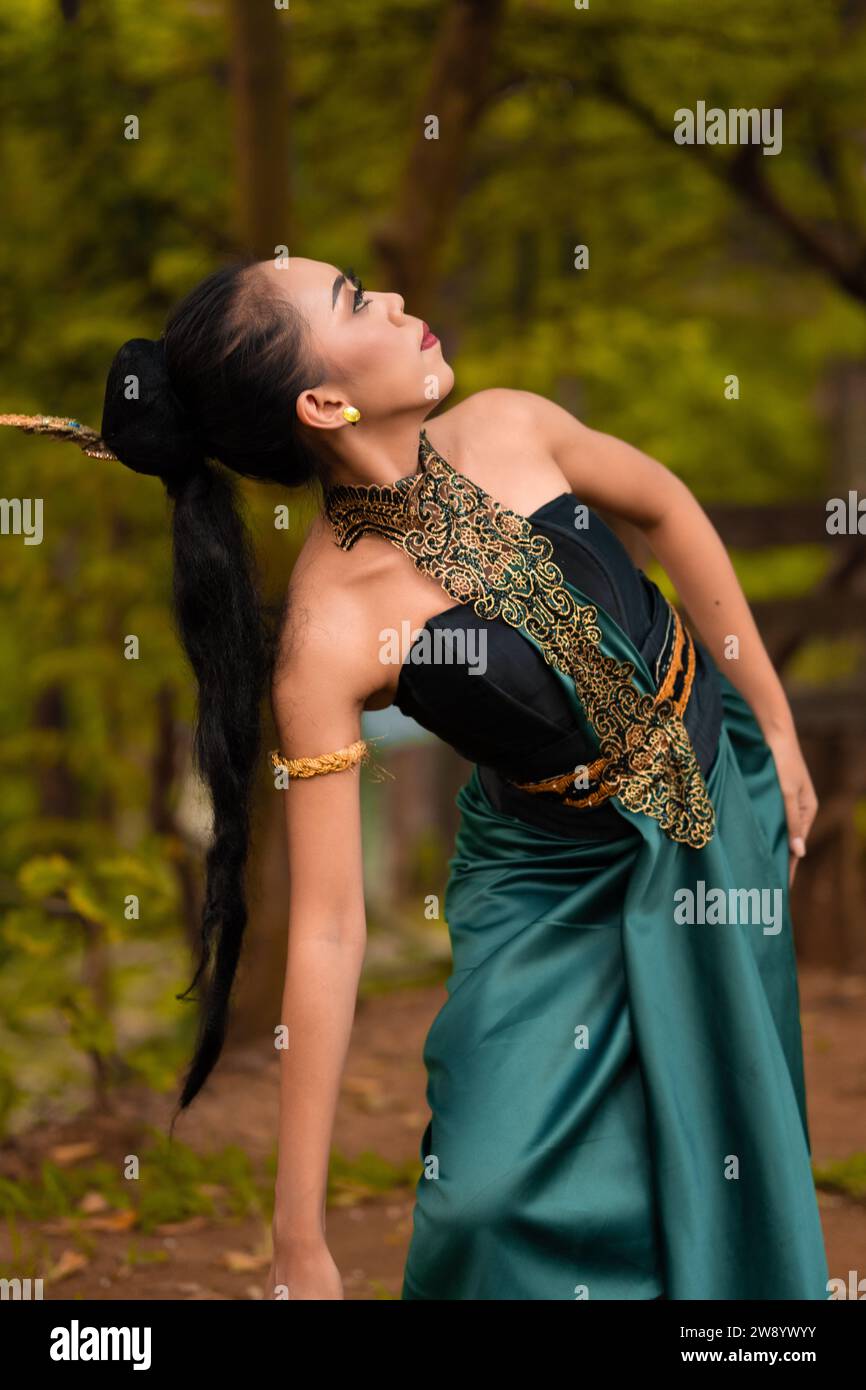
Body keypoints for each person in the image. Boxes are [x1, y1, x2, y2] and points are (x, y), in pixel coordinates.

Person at [1, 253, 829, 1301]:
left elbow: (666, 511)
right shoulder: (326, 632)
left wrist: (777, 730)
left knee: (721, 1150)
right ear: (322, 399)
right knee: (485, 1198)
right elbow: (330, 928)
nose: (391, 299)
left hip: (711, 800)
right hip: (542, 877)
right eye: (353, 302)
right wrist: (295, 1232)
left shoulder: (512, 425)